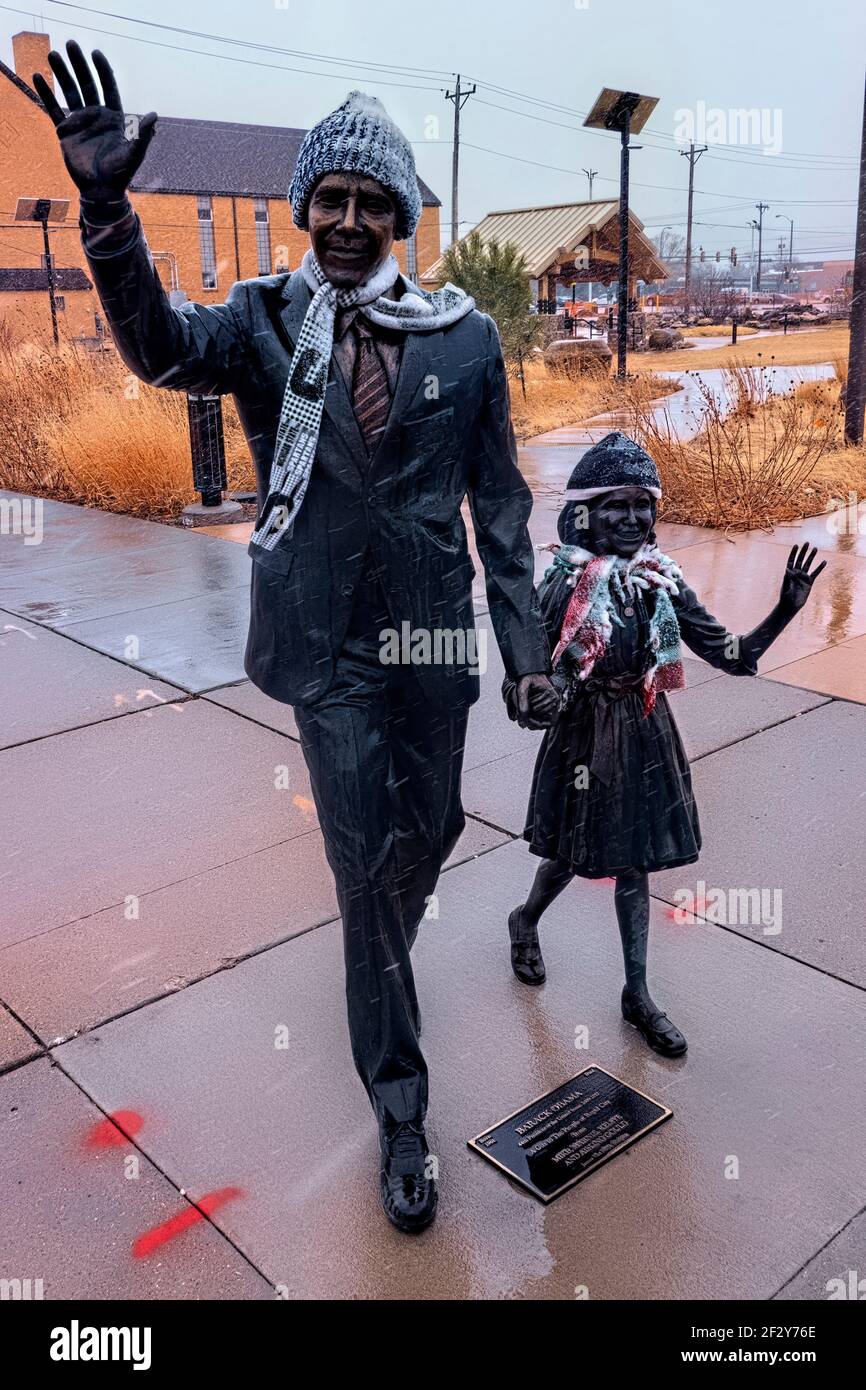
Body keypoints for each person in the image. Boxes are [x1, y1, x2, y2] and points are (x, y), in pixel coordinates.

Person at [35, 41, 558, 1233]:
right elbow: (158, 347)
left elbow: (500, 507)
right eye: (331, 198)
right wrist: (107, 209)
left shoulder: (465, 338)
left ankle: (377, 949)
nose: (349, 221)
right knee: (365, 869)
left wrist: (525, 654)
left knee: (431, 830)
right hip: (325, 649)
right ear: (302, 206)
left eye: (373, 202)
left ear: (402, 217)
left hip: (431, 639)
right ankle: (402, 1110)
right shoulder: (260, 321)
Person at [503, 431, 825, 1056]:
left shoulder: (661, 583)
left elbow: (734, 657)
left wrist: (785, 609)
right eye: (615, 505)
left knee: (634, 864)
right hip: (583, 737)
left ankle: (638, 994)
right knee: (568, 854)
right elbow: (527, 679)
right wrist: (532, 699)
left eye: (642, 504)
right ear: (585, 514)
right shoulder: (564, 587)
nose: (632, 518)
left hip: (646, 729)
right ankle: (526, 917)